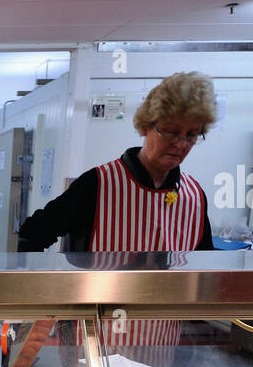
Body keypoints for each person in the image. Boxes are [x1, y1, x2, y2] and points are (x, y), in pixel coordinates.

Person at [17, 71, 216, 254]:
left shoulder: (194, 196)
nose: (181, 144)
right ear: (145, 126)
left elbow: (203, 265)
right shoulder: (97, 184)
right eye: (171, 131)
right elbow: (32, 234)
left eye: (191, 135)